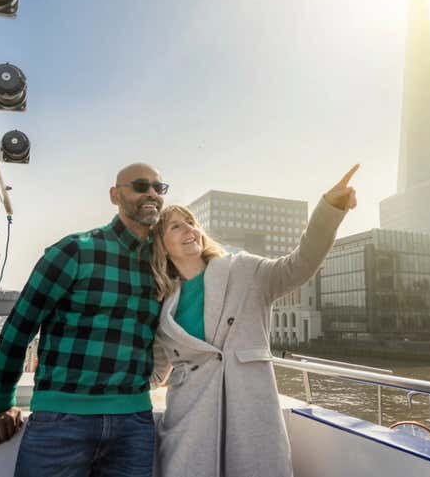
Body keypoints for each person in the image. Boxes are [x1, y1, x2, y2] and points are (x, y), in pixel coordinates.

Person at [151, 165, 359, 477]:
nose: (189, 230)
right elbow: (154, 372)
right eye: (176, 227)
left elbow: (298, 266)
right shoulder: (163, 306)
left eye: (191, 223)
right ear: (162, 246)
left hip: (250, 411)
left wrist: (329, 210)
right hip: (189, 422)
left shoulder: (243, 270)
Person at [0, 163, 168, 477]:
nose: (151, 193)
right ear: (114, 195)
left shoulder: (162, 263)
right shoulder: (75, 251)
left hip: (134, 423)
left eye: (158, 188)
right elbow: (20, 327)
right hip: (61, 420)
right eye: (140, 185)